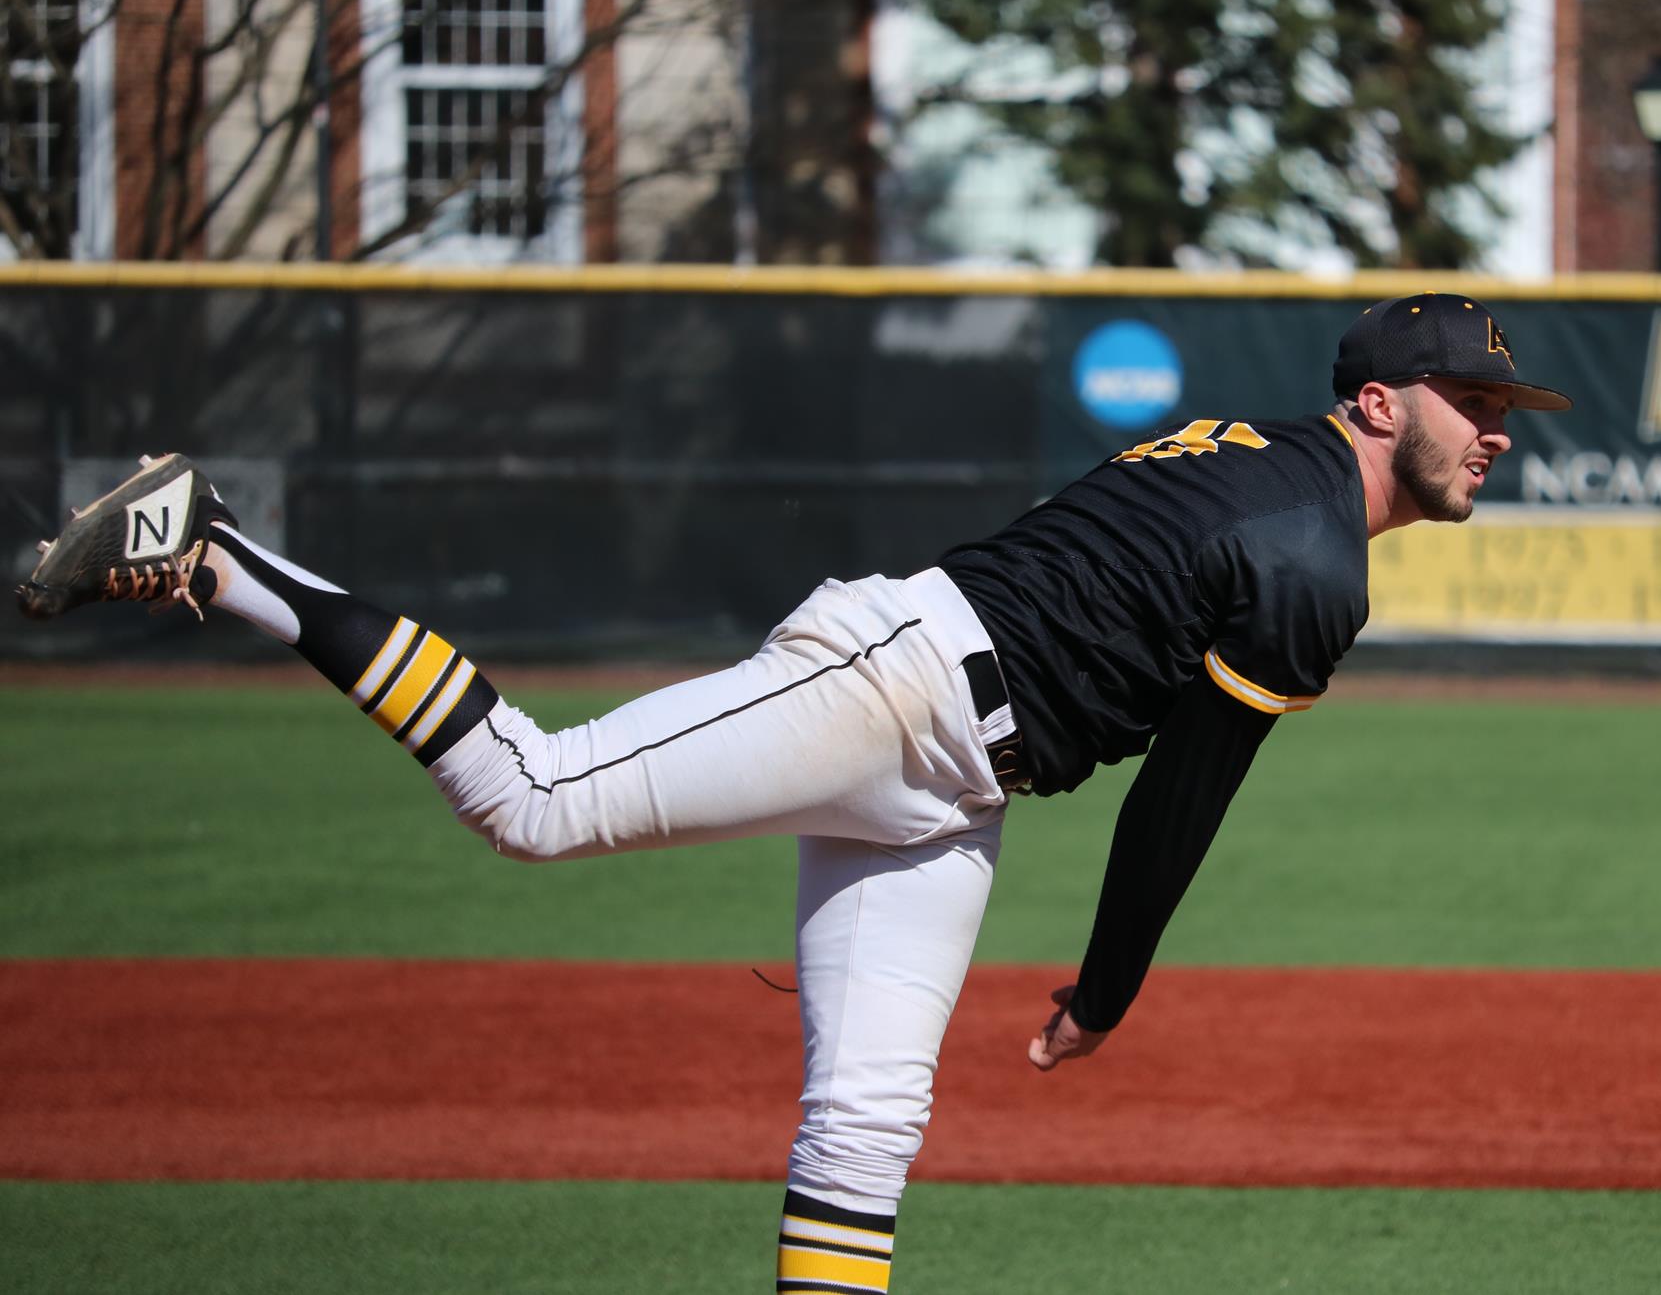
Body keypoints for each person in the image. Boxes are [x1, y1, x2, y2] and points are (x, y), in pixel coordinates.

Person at [18, 293, 1569, 1294]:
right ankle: (219, 548)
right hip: (896, 682)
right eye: (1468, 399)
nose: (1495, 430)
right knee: (537, 796)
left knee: (866, 1125)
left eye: (1503, 410)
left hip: (960, 777)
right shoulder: (1310, 555)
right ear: (1381, 403)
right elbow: (1186, 794)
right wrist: (1107, 989)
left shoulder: (1261, 454)